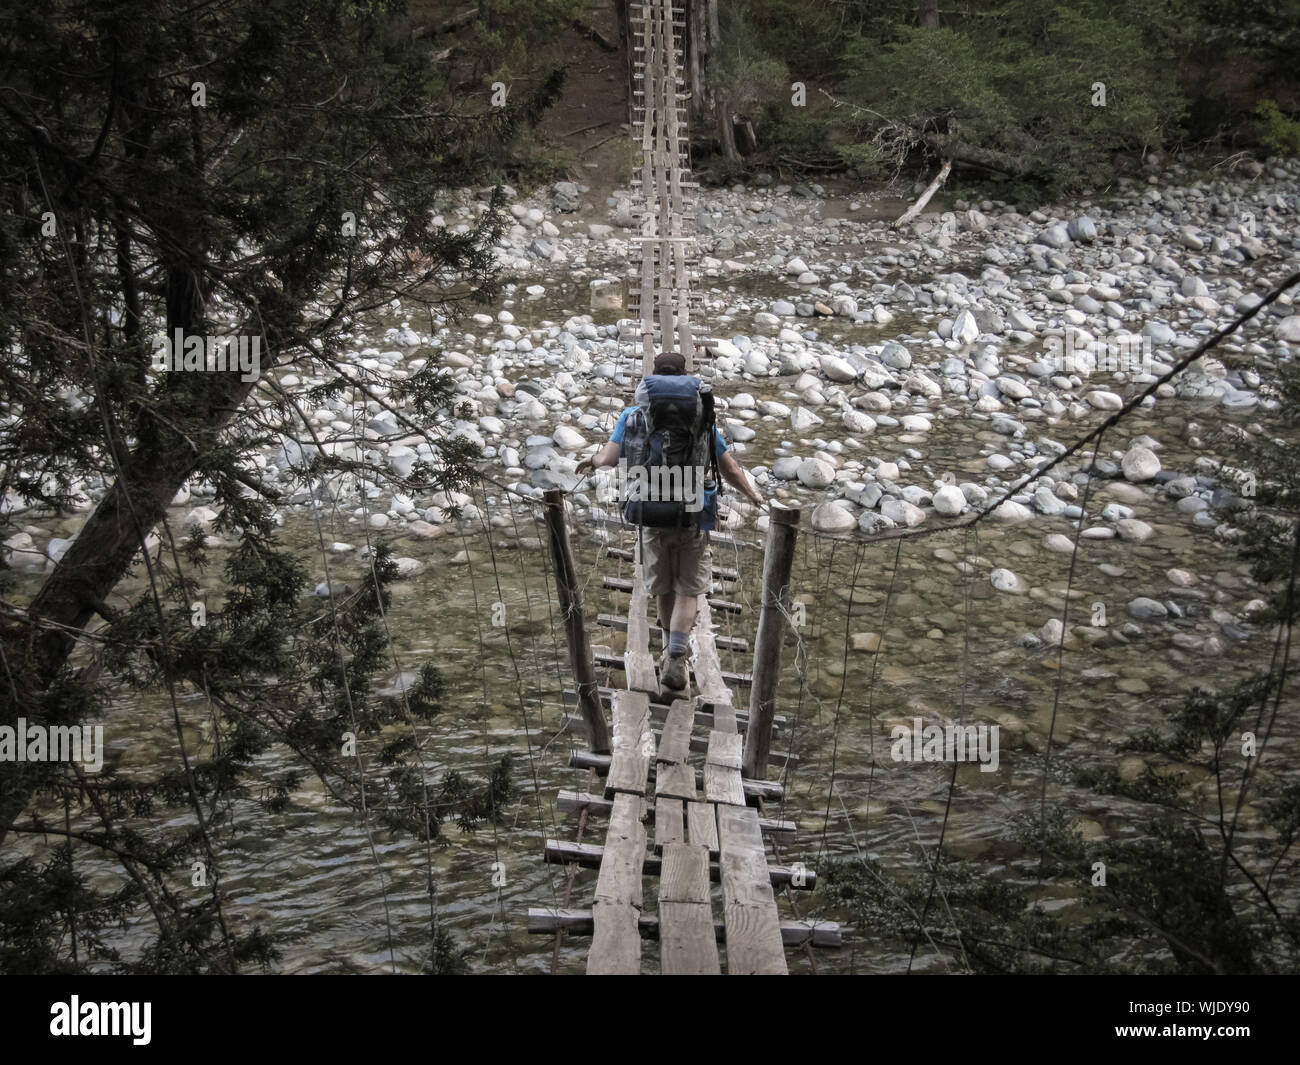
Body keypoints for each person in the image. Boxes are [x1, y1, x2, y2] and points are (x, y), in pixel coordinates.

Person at [576, 350, 765, 692]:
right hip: (691, 511)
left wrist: (590, 460)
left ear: (653, 377)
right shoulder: (700, 418)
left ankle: (668, 650)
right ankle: (677, 655)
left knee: (662, 585)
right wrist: (754, 497)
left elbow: (607, 458)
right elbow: (730, 469)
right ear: (685, 377)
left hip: (649, 511)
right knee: (689, 588)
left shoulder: (633, 416)